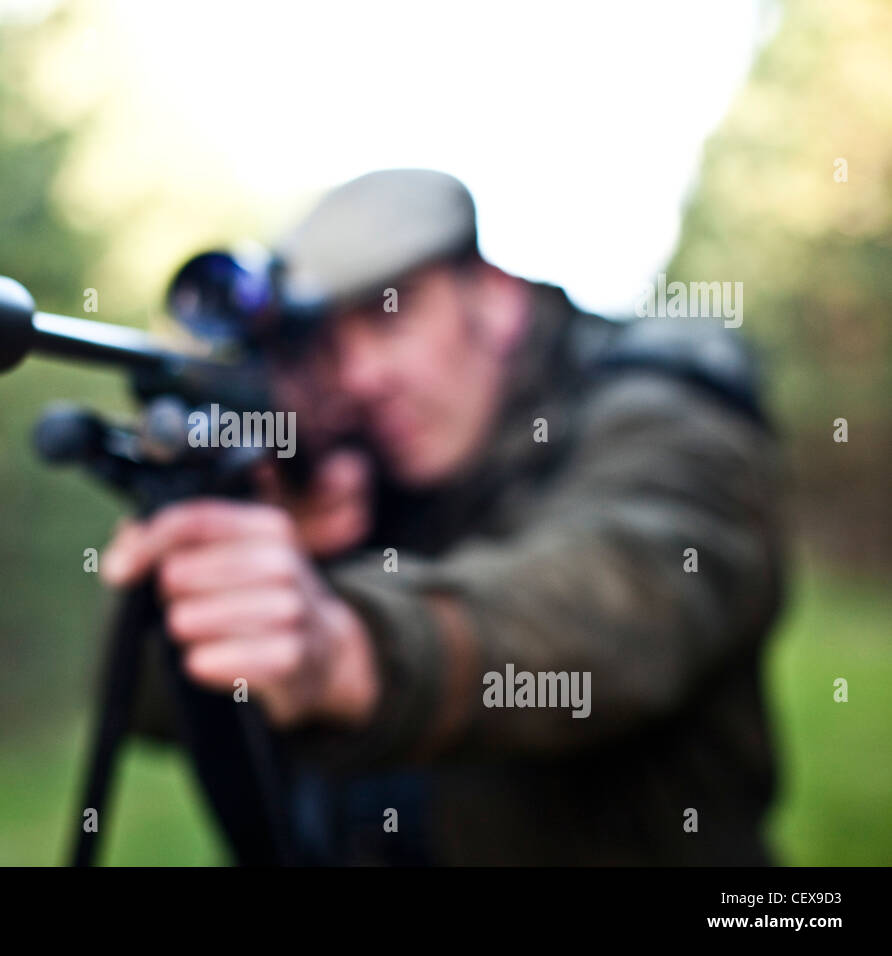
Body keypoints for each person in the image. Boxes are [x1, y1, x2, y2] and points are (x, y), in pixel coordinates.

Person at [100, 168, 786, 865]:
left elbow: (615, 608)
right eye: (330, 348)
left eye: (390, 316)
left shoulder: (657, 407)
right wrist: (281, 545)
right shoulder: (364, 466)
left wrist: (347, 648)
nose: (362, 377)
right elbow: (150, 708)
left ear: (495, 297)